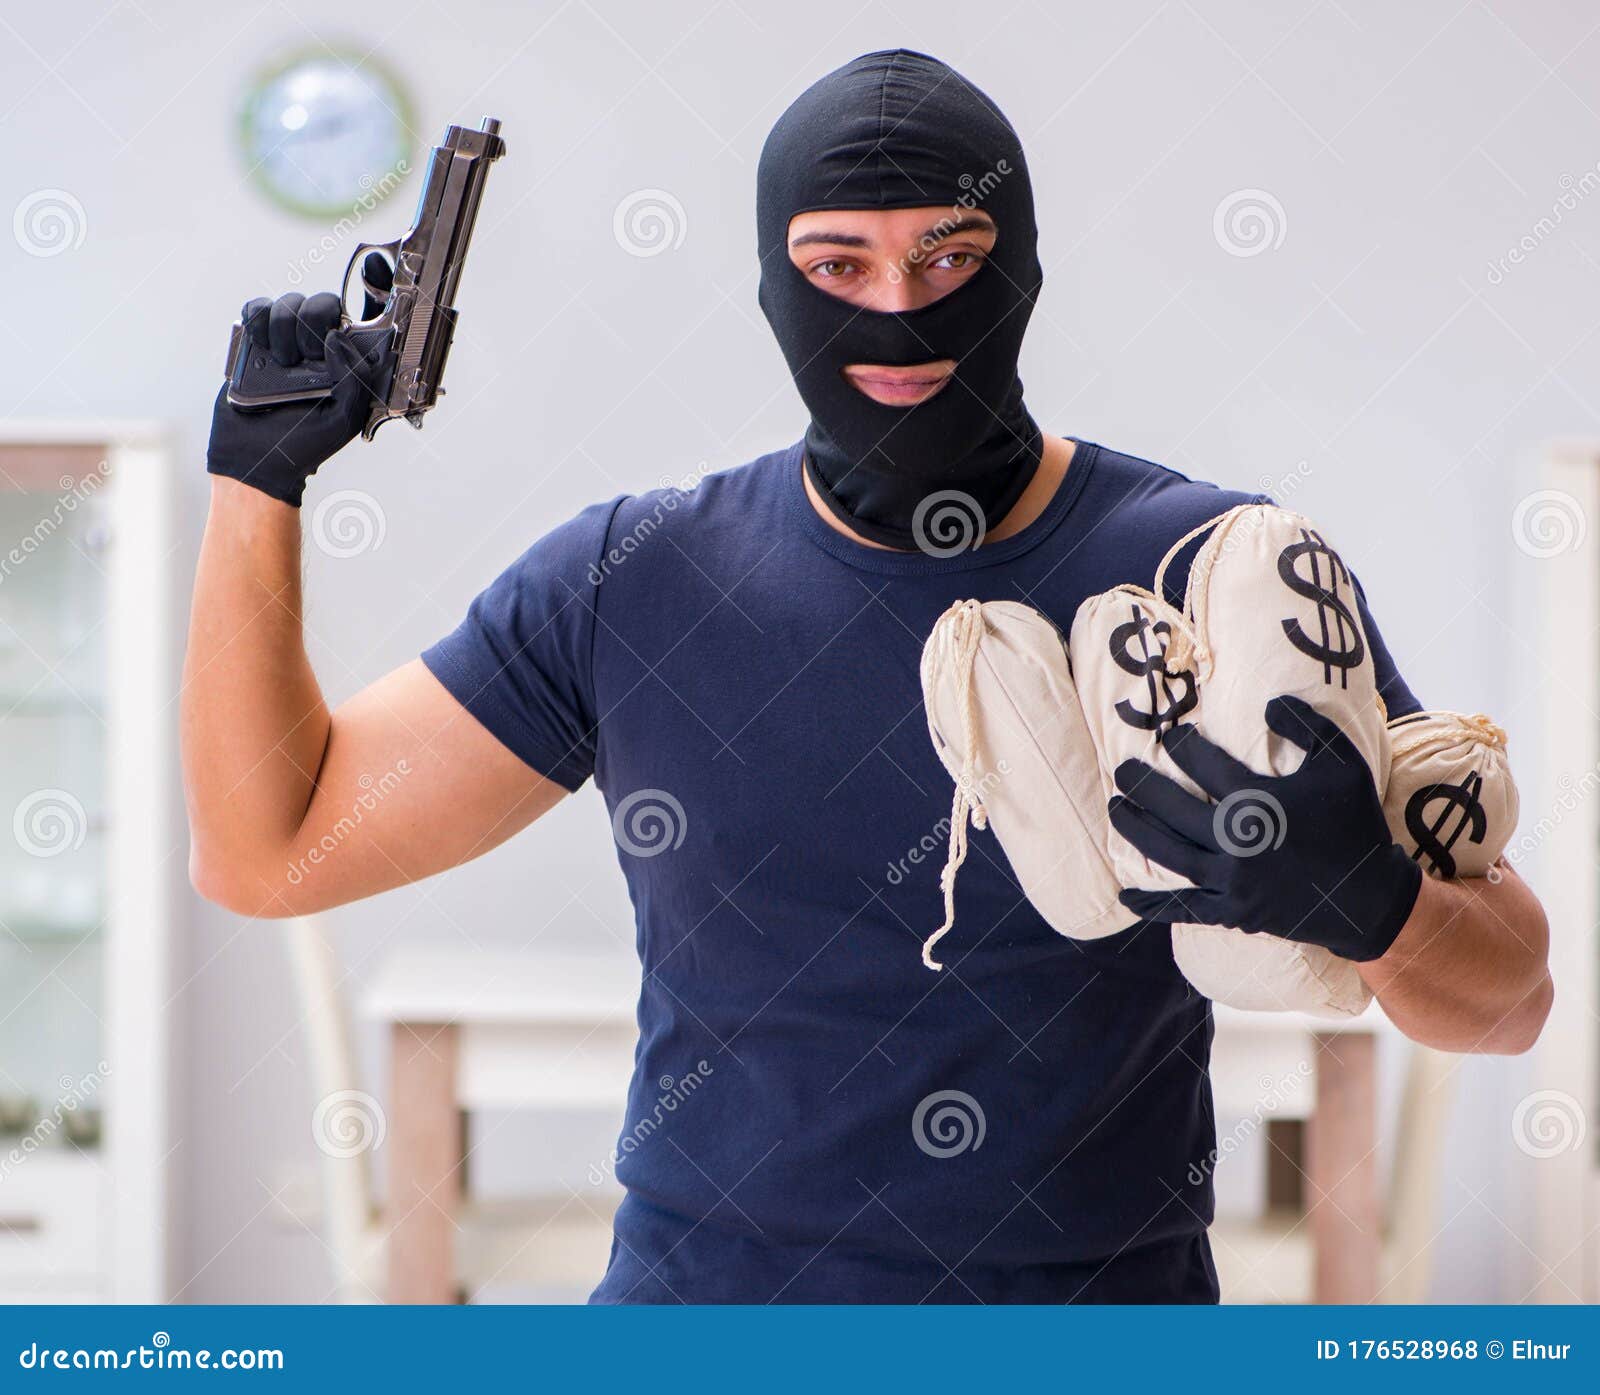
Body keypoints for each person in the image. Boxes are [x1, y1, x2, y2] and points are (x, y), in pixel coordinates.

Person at [184, 50, 1551, 1304]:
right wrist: (257, 488)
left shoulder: (1219, 568)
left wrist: (1378, 909)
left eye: (948, 258)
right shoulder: (635, 578)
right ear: (773, 288)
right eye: (839, 266)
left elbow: (1513, 1003)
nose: (898, 312)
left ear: (1021, 265)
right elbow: (271, 851)